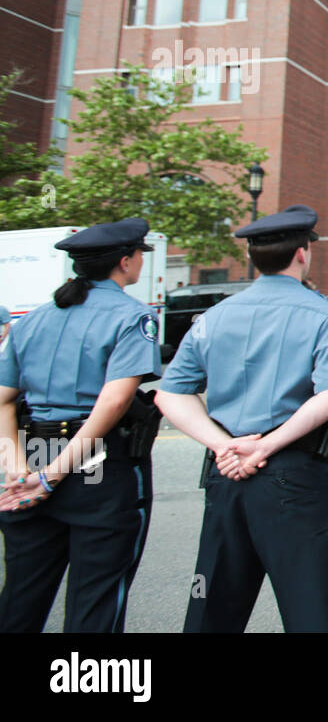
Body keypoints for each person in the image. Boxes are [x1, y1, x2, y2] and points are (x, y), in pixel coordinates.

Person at [155, 204, 328, 632]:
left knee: (213, 610)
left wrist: (223, 446)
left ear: (252, 258)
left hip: (226, 472)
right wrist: (265, 446)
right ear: (303, 253)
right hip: (294, 474)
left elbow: (170, 394)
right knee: (312, 612)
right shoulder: (323, 314)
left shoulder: (213, 318)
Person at [0, 218, 162, 632]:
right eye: (140, 254)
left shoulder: (34, 318)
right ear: (126, 262)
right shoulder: (132, 316)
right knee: (97, 598)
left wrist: (19, 466)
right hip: (97, 459)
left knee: (22, 594)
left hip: (34, 450)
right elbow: (114, 400)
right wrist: (54, 475)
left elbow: (3, 399)